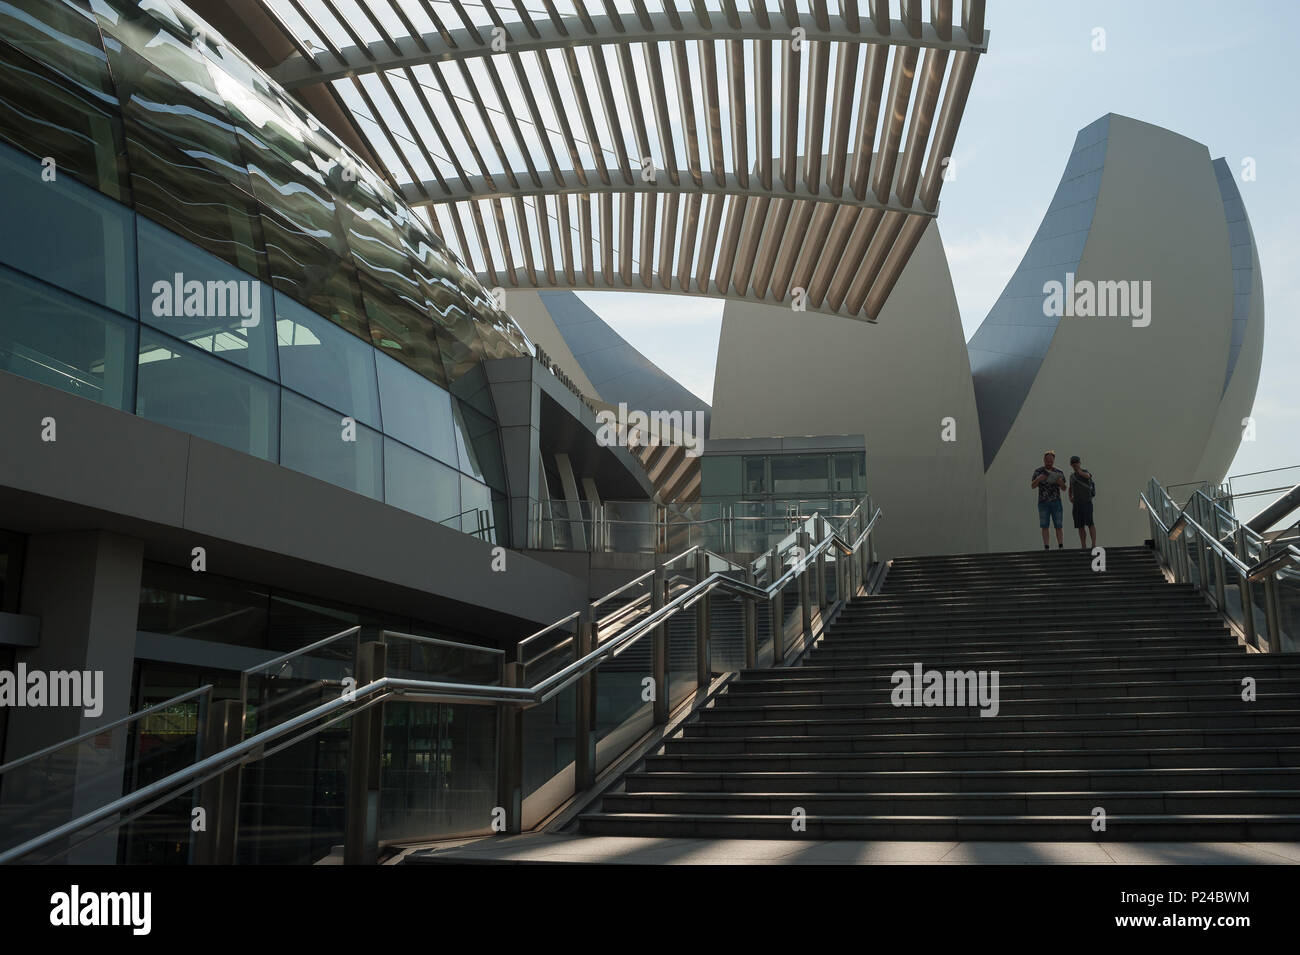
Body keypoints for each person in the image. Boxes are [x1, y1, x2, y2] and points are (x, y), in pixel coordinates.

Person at [1030, 450, 1067, 549]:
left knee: (1058, 525)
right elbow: (1032, 486)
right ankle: (1046, 546)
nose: (1049, 462)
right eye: (1047, 460)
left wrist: (1060, 482)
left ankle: (1060, 545)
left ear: (1054, 460)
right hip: (1043, 502)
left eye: (1051, 460)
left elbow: (1064, 488)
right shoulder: (1038, 471)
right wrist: (1039, 479)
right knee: (1044, 525)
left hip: (1056, 501)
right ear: (1044, 460)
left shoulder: (1059, 472)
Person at [1068, 455, 1097, 549]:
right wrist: (1070, 497)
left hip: (1087, 502)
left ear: (1080, 463)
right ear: (1071, 464)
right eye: (1073, 463)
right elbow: (1070, 488)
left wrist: (1079, 471)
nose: (1075, 464)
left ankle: (1093, 544)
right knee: (1080, 526)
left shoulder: (1085, 472)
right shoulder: (1072, 476)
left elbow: (1088, 476)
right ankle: (1083, 545)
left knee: (1090, 523)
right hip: (1077, 503)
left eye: (1076, 462)